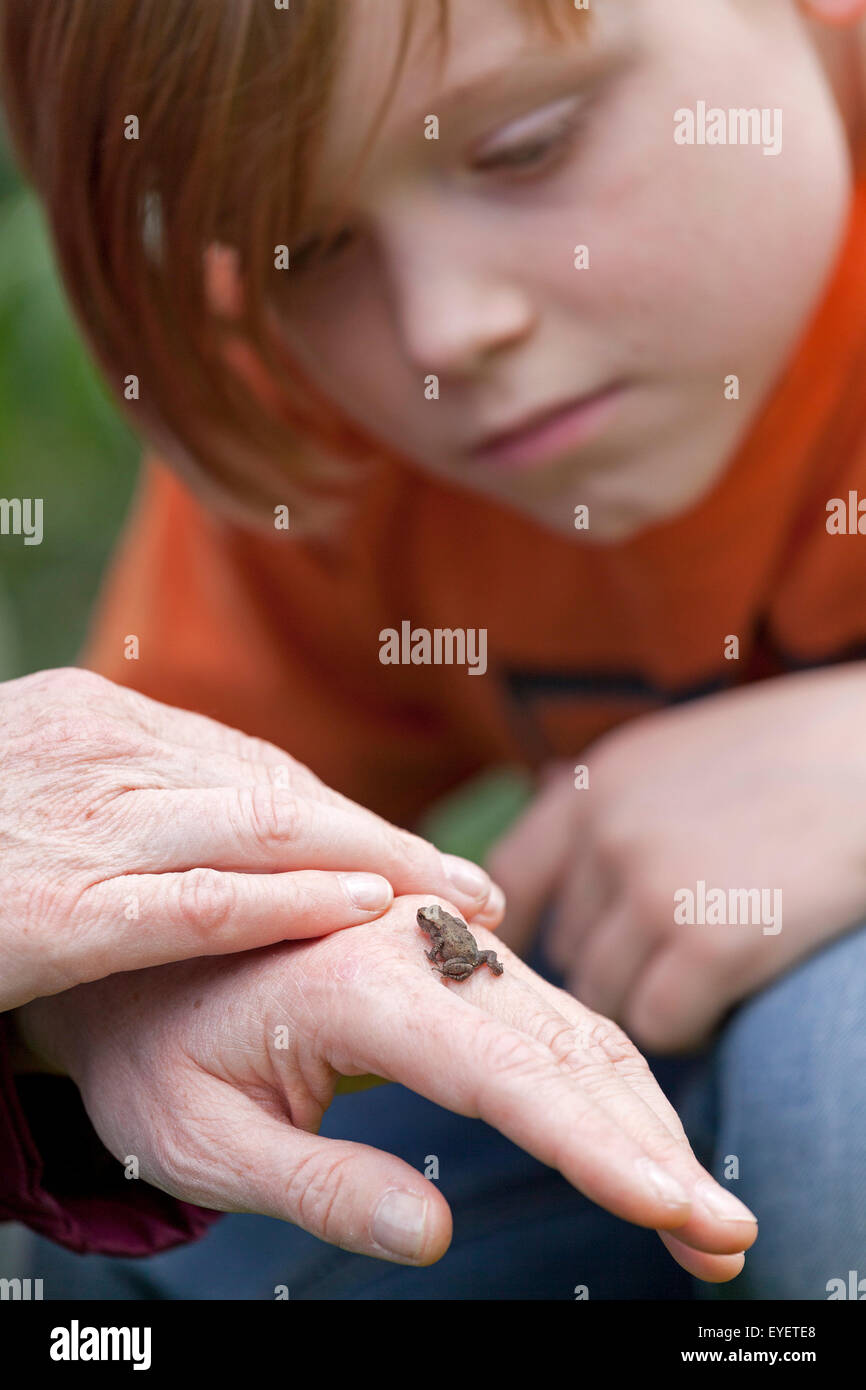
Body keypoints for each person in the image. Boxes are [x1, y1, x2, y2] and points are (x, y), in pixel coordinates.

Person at [3, 0, 866, 1298]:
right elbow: (124, 908)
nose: (441, 330)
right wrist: (103, 999)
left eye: (523, 146)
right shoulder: (315, 433)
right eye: (308, 245)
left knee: (832, 1090)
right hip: (653, 1072)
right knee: (145, 1232)